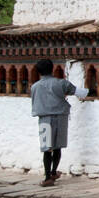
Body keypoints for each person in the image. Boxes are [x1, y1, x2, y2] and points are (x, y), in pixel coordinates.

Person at [30, 58, 76, 187]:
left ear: (39, 72)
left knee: (47, 149)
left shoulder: (35, 87)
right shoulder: (61, 83)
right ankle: (54, 172)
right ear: (52, 69)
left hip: (45, 118)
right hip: (61, 117)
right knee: (57, 146)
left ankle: (47, 177)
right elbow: (76, 91)